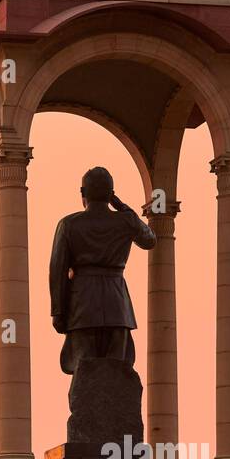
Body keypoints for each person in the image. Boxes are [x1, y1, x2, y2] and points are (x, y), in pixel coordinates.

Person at [48, 167, 156, 398]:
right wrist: (123, 207)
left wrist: (58, 312)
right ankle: (117, 425)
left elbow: (57, 271)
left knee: (84, 374)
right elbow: (149, 240)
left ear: (82, 193)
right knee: (118, 374)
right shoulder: (125, 221)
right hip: (117, 305)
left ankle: (88, 426)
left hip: (82, 308)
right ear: (111, 194)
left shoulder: (69, 224)